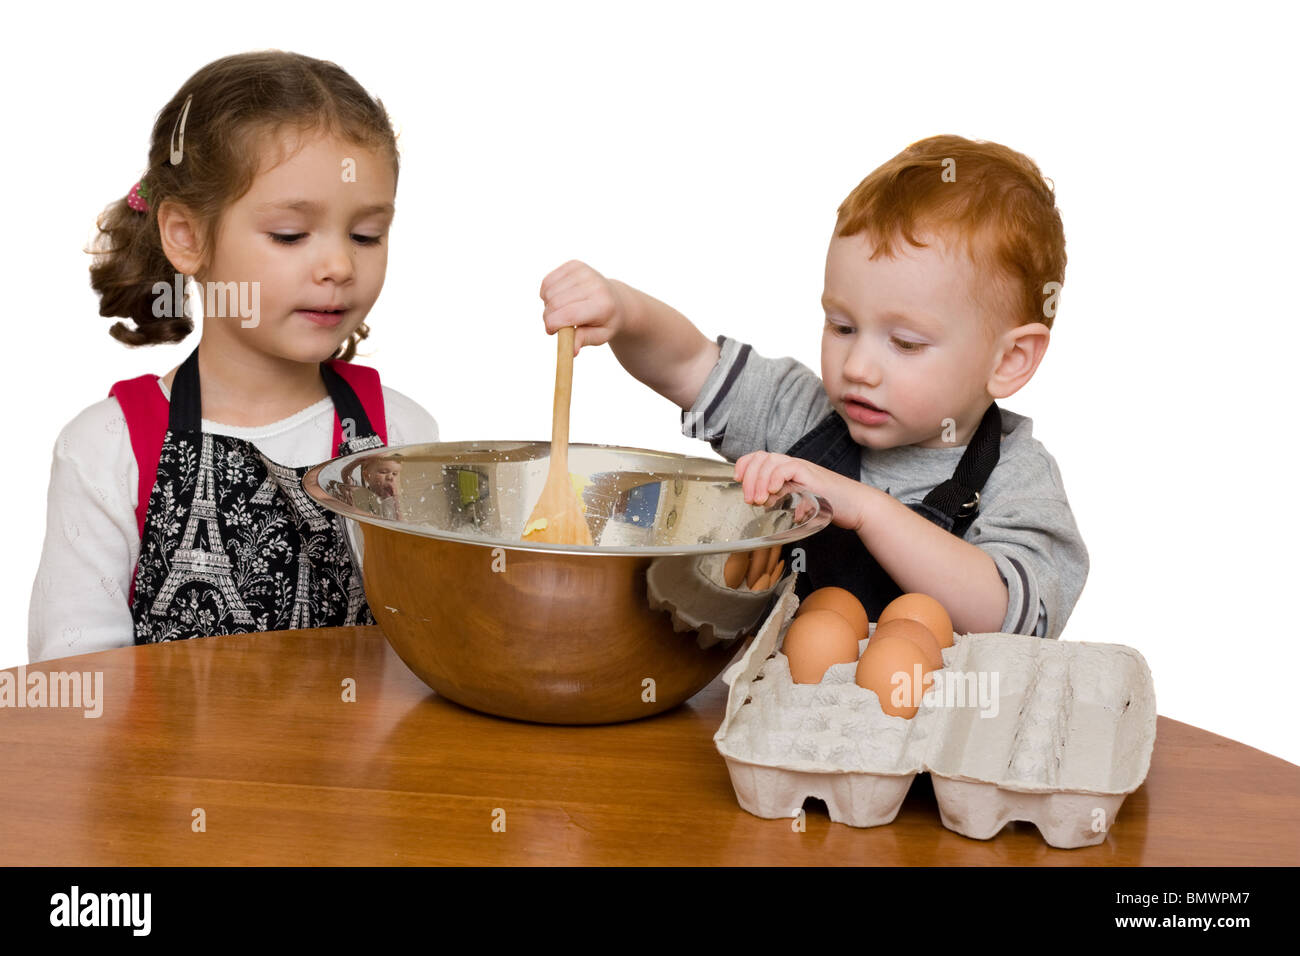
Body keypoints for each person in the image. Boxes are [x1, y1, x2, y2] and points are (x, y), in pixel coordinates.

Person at [537, 135, 1088, 640]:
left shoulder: (1015, 477)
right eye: (842, 327)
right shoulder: (803, 412)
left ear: (1010, 359)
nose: (859, 368)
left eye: (906, 343)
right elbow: (687, 365)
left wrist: (865, 509)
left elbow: (1010, 618)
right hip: (771, 728)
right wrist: (624, 310)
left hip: (930, 741)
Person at [28, 51, 440, 663]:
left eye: (365, 235)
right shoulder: (109, 448)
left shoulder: (400, 434)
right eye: (290, 235)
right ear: (187, 237)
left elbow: (431, 644)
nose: (338, 266)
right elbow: (79, 675)